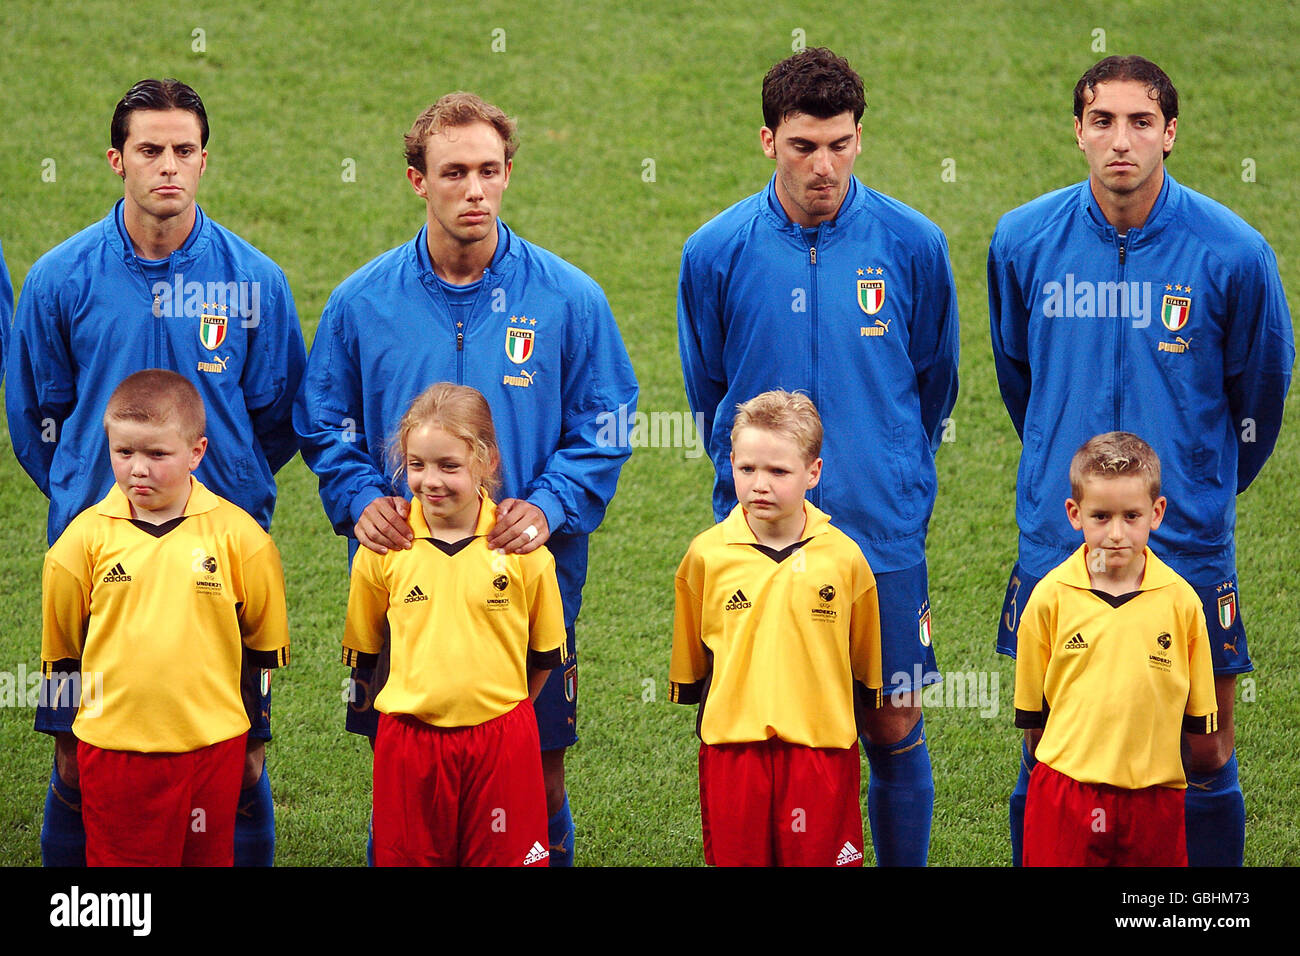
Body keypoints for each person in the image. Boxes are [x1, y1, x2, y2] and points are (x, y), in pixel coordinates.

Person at [295, 92, 637, 866]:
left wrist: (547, 509)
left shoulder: (569, 299)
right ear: (418, 180)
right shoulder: (361, 303)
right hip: (403, 590)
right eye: (455, 172)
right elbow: (321, 421)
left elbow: (606, 424)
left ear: (509, 173)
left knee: (539, 778)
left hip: (521, 582)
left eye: (490, 170)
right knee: (403, 779)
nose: (474, 189)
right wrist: (357, 501)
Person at [989, 55, 1294, 866]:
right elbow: (1019, 375)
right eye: (1102, 121)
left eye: (1140, 122)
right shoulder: (1023, 240)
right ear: (1077, 132)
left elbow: (1258, 398)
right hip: (1062, 541)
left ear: (1171, 133)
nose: (1120, 140)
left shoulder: (1233, 253)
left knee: (1205, 752)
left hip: (1185, 539)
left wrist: (1196, 483)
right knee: (1048, 744)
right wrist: (1071, 467)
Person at [5, 77, 306, 867]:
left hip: (220, 563)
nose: (166, 166)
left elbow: (275, 420)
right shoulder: (59, 279)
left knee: (240, 754)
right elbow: (38, 421)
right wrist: (93, 497)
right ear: (117, 160)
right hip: (94, 558)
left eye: (182, 151)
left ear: (205, 161)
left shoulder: (255, 282)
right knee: (75, 752)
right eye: (149, 150)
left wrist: (218, 491)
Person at [677, 48, 958, 865]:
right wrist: (760, 485)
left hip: (882, 523)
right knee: (775, 718)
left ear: (860, 138)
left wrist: (890, 464)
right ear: (768, 140)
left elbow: (934, 384)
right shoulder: (715, 250)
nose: (823, 165)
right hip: (760, 535)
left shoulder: (913, 244)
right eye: (804, 146)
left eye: (839, 144)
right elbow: (712, 393)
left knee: (894, 717)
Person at [41, 370, 290, 866]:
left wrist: (256, 738)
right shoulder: (79, 545)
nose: (138, 469)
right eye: (124, 452)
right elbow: (60, 657)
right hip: (114, 751)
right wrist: (63, 739)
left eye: (157, 454)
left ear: (197, 451)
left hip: (213, 747)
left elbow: (261, 652)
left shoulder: (242, 540)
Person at [343, 383, 564, 866]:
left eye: (449, 466)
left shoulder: (525, 553)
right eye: (417, 465)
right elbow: (366, 654)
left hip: (502, 740)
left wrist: (500, 709)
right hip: (408, 742)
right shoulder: (383, 550)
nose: (431, 481)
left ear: (487, 461)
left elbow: (546, 658)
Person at [671, 391, 883, 866]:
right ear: (730, 463)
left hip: (821, 750)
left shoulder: (844, 559)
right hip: (733, 752)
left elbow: (864, 660)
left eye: (778, 471)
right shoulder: (706, 555)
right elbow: (694, 653)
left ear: (814, 473)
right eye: (746, 469)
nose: (759, 485)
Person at [1015, 432, 1217, 866]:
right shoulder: (1049, 597)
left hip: (1154, 800)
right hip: (1065, 794)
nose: (1116, 534)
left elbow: (1199, 730)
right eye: (1101, 516)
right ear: (1075, 514)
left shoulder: (1182, 603)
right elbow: (1035, 725)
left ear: (1156, 513)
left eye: (1132, 515)